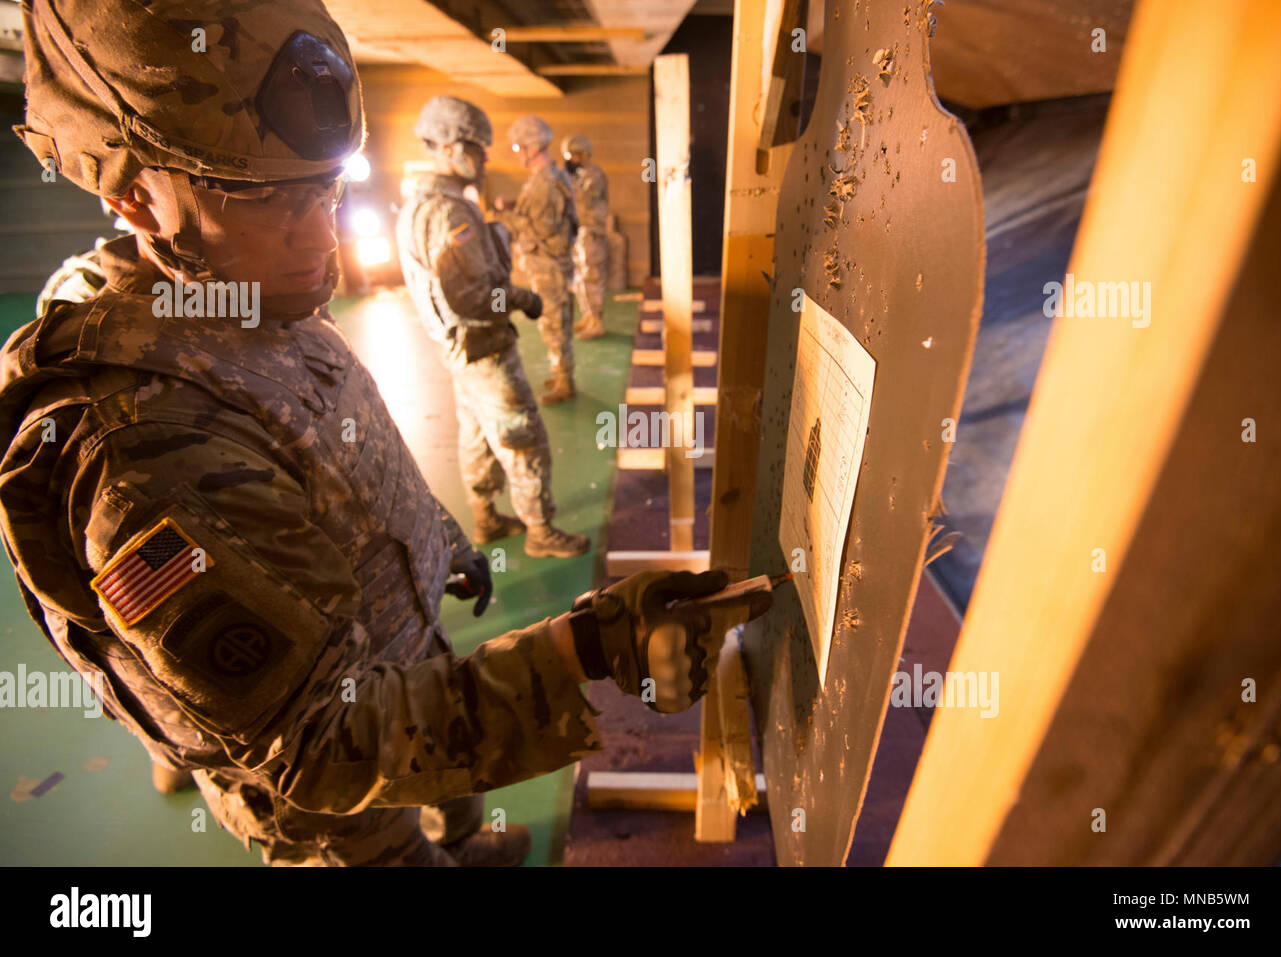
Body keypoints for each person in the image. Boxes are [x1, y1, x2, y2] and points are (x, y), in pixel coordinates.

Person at [0, 0, 746, 867]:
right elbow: (329, 743)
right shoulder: (140, 451)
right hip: (335, 802)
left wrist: (437, 538)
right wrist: (589, 645)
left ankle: (462, 840)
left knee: (443, 803)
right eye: (279, 208)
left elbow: (343, 440)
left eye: (329, 192)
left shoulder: (238, 295)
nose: (323, 241)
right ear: (137, 195)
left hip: (401, 644)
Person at [395, 96, 589, 559]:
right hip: (483, 345)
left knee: (478, 432)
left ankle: (485, 517)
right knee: (522, 436)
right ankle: (540, 530)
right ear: (450, 147)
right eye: (478, 150)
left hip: (457, 349)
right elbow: (475, 297)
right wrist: (524, 298)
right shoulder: (450, 212)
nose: (484, 159)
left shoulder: (417, 206)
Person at [493, 116, 579, 404]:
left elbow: (541, 227)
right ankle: (561, 373)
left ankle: (565, 383)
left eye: (520, 148)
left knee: (554, 324)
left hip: (548, 263)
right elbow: (540, 214)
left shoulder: (545, 183)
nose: (518, 153)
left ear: (532, 147)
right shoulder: (548, 177)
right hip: (548, 262)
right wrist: (515, 205)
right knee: (554, 322)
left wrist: (502, 217)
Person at [561, 134, 610, 340]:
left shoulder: (594, 175)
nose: (570, 159)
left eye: (573, 155)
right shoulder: (576, 174)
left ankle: (597, 321)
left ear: (583, 154)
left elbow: (584, 197)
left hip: (591, 231)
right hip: (578, 231)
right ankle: (588, 316)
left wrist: (569, 179)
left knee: (591, 277)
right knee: (580, 277)